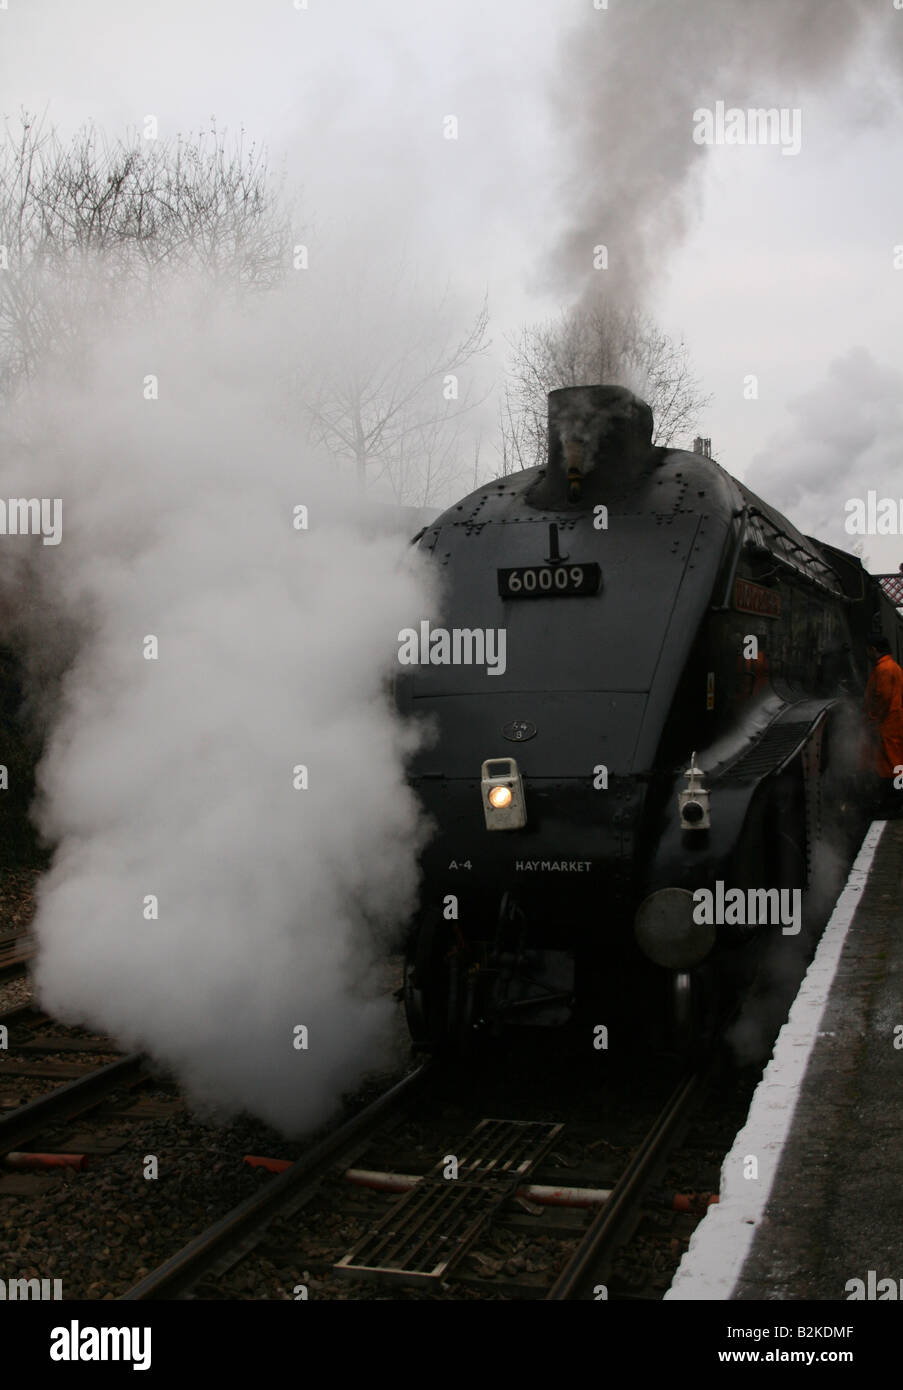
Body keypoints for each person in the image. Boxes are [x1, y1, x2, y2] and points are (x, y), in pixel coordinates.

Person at [864, 636, 903, 817]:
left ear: (874, 649)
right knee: (896, 763)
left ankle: (894, 803)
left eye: (868, 650)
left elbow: (883, 697)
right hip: (893, 722)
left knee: (892, 764)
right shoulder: (892, 666)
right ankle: (894, 800)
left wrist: (873, 718)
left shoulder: (884, 669)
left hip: (889, 724)